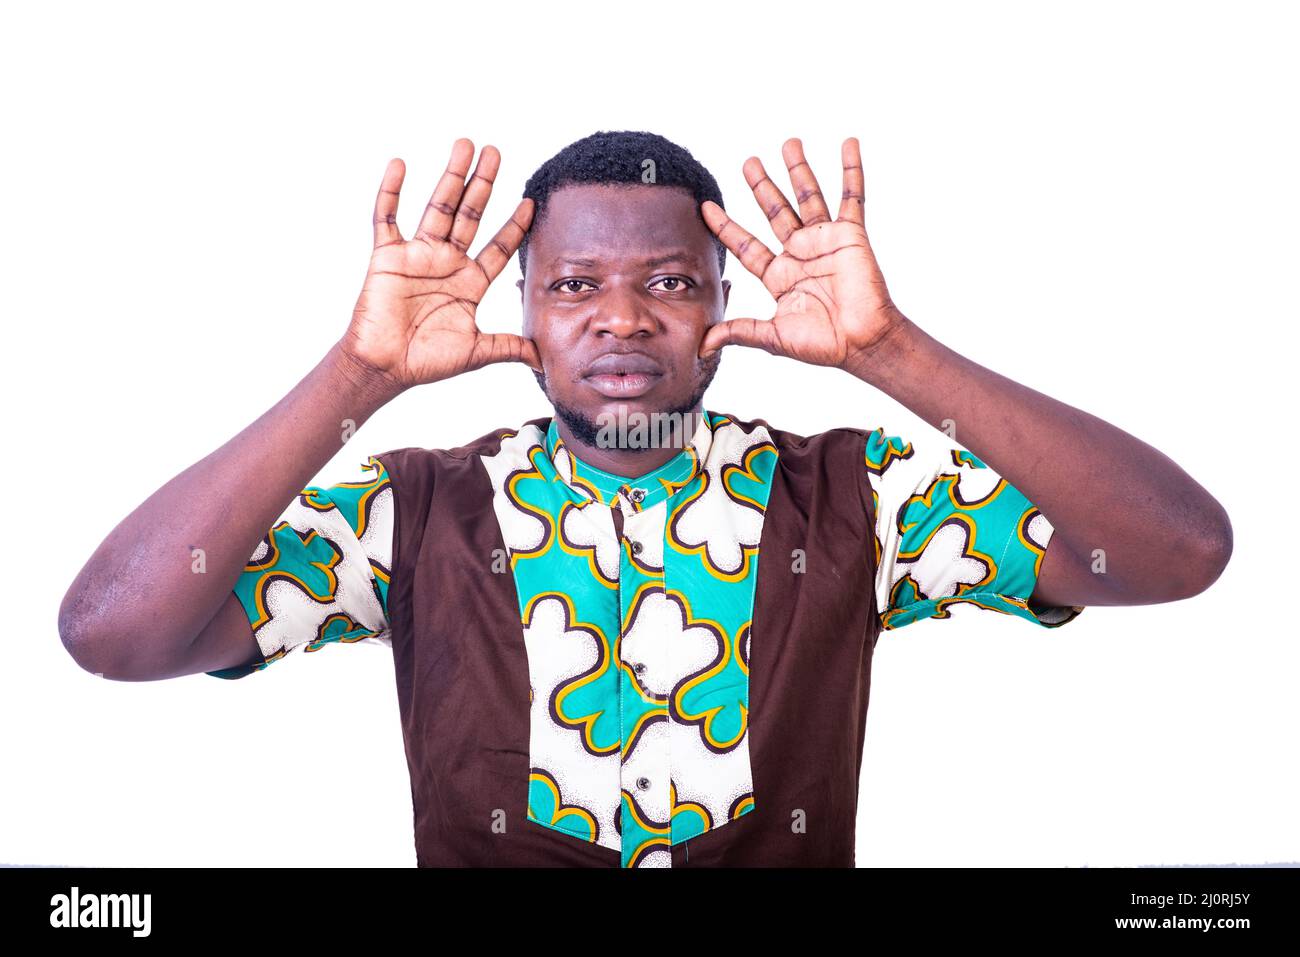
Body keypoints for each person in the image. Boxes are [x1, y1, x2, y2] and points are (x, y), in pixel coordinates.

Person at [57, 130, 1233, 868]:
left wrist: (892, 354)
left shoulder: (856, 497)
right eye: (574, 285)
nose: (621, 318)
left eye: (669, 281)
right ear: (522, 302)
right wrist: (356, 377)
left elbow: (1173, 551)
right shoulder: (411, 512)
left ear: (725, 294)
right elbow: (114, 635)